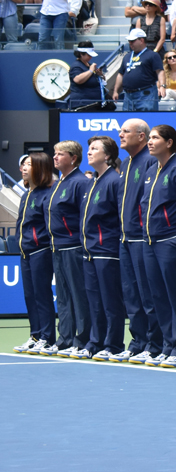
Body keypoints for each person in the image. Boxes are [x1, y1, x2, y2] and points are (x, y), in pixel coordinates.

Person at [140, 125, 176, 368]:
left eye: (155, 138)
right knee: (158, 297)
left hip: (173, 240)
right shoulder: (151, 170)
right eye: (149, 138)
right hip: (150, 241)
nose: (150, 142)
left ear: (169, 142)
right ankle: (167, 345)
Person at [115, 121, 164, 364]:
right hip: (125, 238)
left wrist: (143, 231)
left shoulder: (149, 161)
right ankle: (138, 342)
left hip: (142, 238)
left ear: (142, 136)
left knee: (148, 295)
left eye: (126, 132)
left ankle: (155, 344)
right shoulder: (125, 163)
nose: (120, 135)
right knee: (131, 296)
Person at [79, 136, 125, 362]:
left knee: (110, 301)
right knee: (94, 302)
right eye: (88, 148)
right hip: (89, 252)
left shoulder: (114, 181)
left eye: (94, 149)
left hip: (107, 251)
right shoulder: (91, 182)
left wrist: (112, 244)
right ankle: (95, 342)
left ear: (107, 155)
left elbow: (119, 217)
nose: (89, 152)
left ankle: (113, 344)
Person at [47, 142, 90, 358]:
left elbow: (84, 217)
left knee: (78, 295)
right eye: (54, 154)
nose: (54, 158)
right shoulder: (58, 183)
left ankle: (81, 340)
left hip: (73, 247)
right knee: (63, 296)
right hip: (58, 247)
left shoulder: (81, 183)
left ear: (73, 158)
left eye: (59, 154)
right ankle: (64, 339)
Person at [13, 153, 57, 356]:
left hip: (41, 251)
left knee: (42, 295)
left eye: (29, 164)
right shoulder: (26, 194)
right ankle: (36, 335)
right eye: (23, 164)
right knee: (30, 296)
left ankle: (47, 338)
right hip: (25, 252)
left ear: (40, 168)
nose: (24, 167)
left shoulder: (46, 193)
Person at [113, 29, 166, 112]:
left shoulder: (152, 55)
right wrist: (115, 91)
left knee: (147, 118)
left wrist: (162, 86)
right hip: (128, 95)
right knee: (129, 120)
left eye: (133, 41)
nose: (130, 43)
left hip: (146, 94)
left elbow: (160, 71)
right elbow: (121, 74)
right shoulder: (127, 56)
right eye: (129, 41)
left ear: (141, 40)